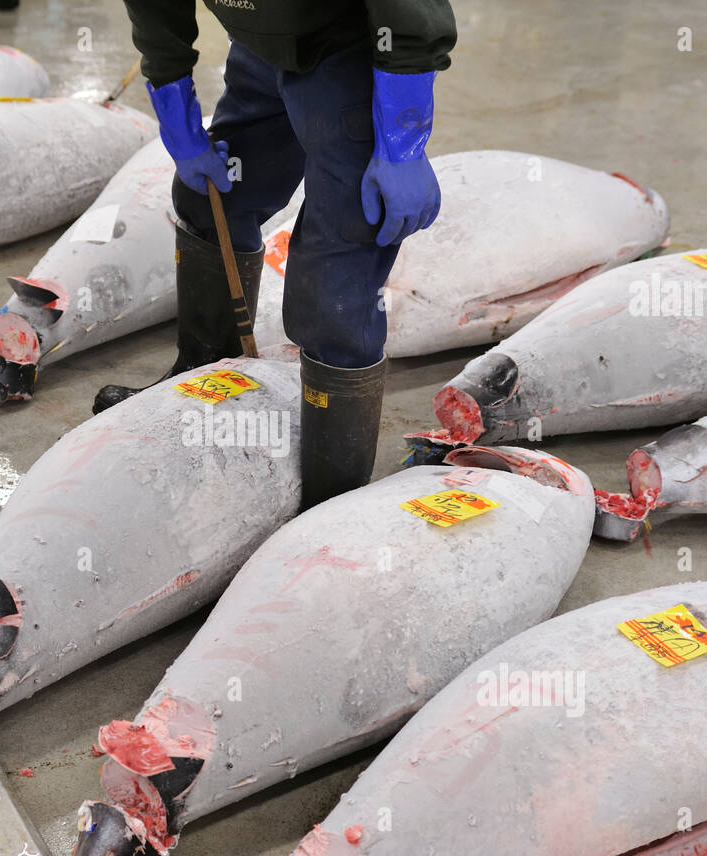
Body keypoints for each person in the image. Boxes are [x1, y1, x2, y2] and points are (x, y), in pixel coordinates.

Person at [96, 1, 456, 509]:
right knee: (210, 197)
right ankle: (202, 379)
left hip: (348, 47)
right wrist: (178, 119)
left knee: (332, 289)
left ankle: (330, 500)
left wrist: (403, 142)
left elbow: (408, 9)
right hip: (262, 50)